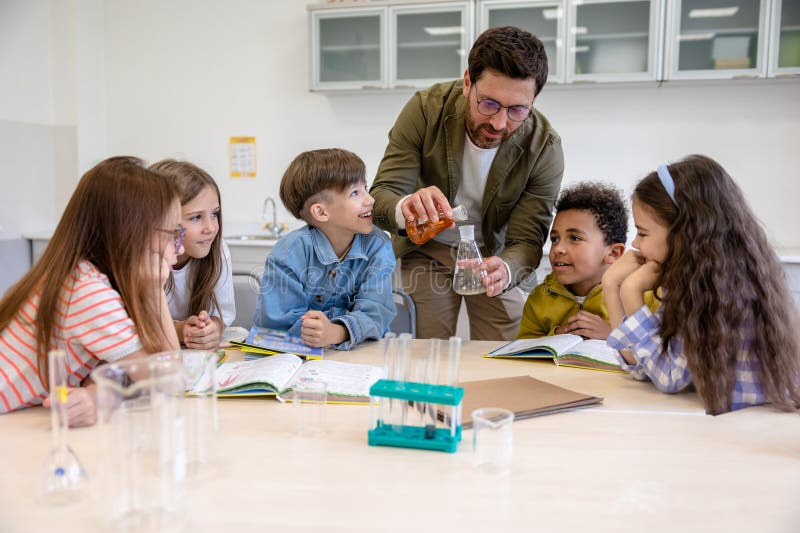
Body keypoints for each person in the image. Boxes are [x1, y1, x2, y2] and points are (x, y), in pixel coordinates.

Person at [370, 25, 564, 340]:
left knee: (503, 356)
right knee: (428, 350)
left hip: (493, 254)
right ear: (466, 82)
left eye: (517, 110)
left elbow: (527, 241)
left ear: (534, 99)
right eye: (488, 104)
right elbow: (381, 196)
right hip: (427, 250)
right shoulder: (425, 110)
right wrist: (405, 207)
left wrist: (507, 269)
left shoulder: (544, 147)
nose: (499, 123)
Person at [603, 155, 800, 414]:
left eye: (643, 232)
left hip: (761, 425)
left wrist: (630, 293)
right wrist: (611, 285)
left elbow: (668, 377)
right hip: (738, 423)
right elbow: (643, 366)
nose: (636, 244)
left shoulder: (721, 292)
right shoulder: (694, 282)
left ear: (683, 234)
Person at [0, 156, 183, 425]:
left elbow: (110, 371)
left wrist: (95, 394)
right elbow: (170, 382)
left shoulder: (79, 276)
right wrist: (153, 290)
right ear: (131, 234)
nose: (177, 249)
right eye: (171, 234)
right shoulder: (86, 293)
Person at [255, 149, 396, 349]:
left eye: (365, 187)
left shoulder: (378, 244)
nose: (370, 200)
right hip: (295, 359)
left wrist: (336, 331)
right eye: (355, 193)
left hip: (356, 356)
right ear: (321, 212)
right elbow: (276, 324)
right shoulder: (289, 252)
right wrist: (325, 330)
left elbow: (377, 313)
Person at [517, 182, 657, 340]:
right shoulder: (539, 297)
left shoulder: (644, 294)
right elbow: (523, 347)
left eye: (574, 238)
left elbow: (658, 353)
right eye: (555, 239)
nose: (558, 249)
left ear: (613, 252)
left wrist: (612, 335)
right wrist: (557, 335)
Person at [150, 159, 235, 349]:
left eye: (214, 214)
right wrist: (180, 330)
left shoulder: (219, 251)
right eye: (196, 217)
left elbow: (221, 315)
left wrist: (212, 328)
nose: (211, 227)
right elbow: (138, 324)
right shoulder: (143, 262)